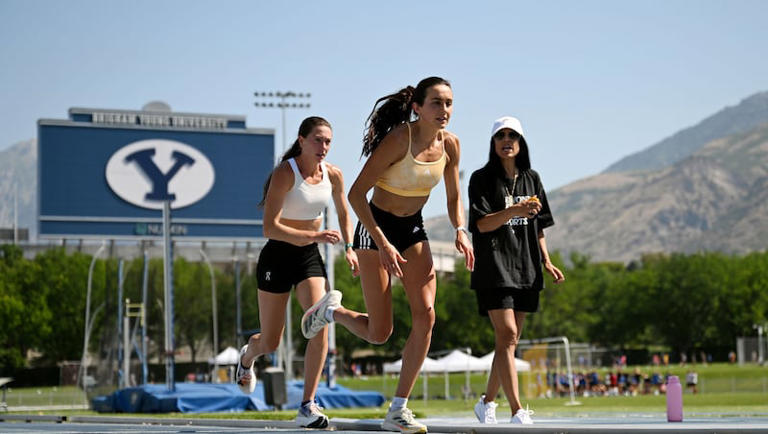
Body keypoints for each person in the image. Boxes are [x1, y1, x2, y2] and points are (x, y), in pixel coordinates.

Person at [300, 76, 474, 433]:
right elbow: (356, 194)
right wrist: (381, 242)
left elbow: (455, 197)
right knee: (380, 333)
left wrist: (460, 229)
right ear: (418, 107)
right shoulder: (399, 140)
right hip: (374, 227)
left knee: (426, 316)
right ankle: (331, 312)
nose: (445, 111)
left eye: (449, 103)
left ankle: (398, 408)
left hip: (412, 229)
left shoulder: (451, 146)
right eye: (437, 103)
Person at [235, 116, 358, 429]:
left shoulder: (333, 174)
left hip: (307, 257)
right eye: (317, 139)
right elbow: (269, 227)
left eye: (328, 141)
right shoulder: (284, 174)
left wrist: (349, 247)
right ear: (302, 140)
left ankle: (307, 405)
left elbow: (344, 212)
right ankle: (248, 356)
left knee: (320, 322)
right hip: (277, 257)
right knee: (271, 343)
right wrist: (315, 236)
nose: (323, 147)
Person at [468, 116, 565, 425]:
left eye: (512, 135)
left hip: (526, 268)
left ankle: (486, 403)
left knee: (507, 342)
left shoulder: (532, 178)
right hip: (494, 267)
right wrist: (513, 211)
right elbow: (482, 224)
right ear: (493, 143)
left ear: (521, 143)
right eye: (500, 136)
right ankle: (517, 410)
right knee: (507, 334)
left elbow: (538, 228)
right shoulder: (480, 179)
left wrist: (546, 260)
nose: (506, 140)